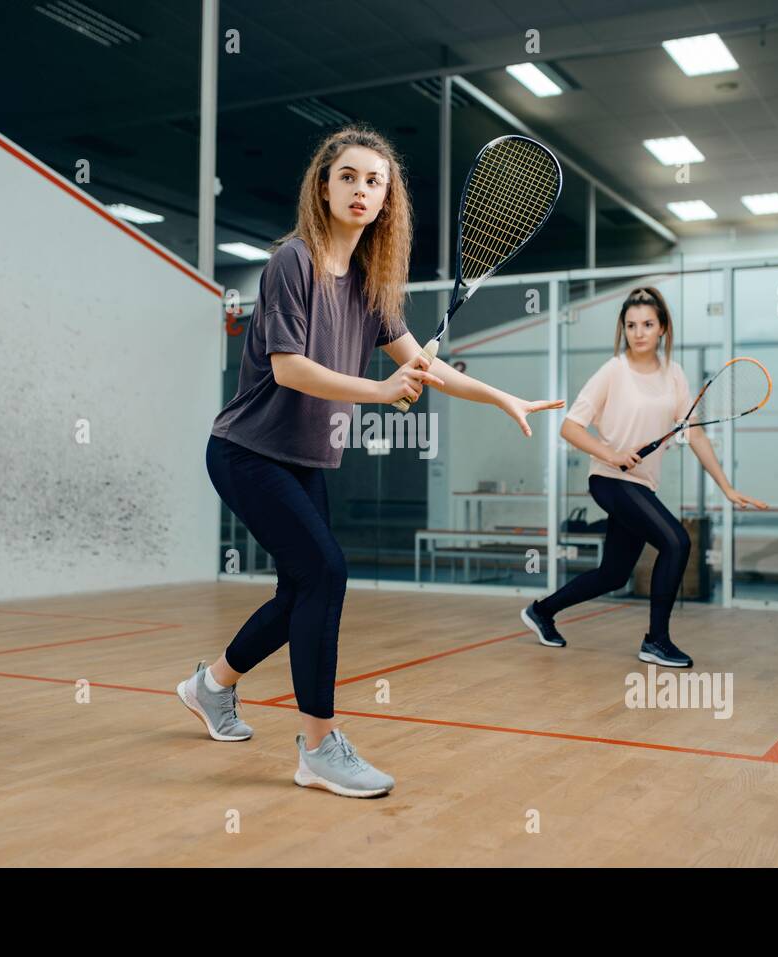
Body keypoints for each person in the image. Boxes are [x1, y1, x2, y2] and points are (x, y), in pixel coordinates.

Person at [178, 125, 564, 798]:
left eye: (375, 181)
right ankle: (320, 746)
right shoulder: (290, 264)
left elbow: (425, 366)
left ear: (389, 199)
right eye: (349, 176)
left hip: (302, 459)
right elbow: (291, 369)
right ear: (323, 187)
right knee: (326, 570)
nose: (362, 189)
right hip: (244, 452)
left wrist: (503, 396)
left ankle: (211, 686)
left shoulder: (371, 284)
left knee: (302, 586)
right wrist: (382, 391)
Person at [520, 286, 767, 667]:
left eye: (647, 324)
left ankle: (542, 611)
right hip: (609, 480)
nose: (639, 332)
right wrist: (612, 454)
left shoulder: (674, 375)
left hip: (641, 485)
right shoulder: (612, 371)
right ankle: (656, 641)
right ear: (624, 329)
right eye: (631, 325)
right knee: (677, 541)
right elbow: (570, 427)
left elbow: (695, 433)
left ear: (663, 328)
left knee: (613, 574)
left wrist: (726, 486)